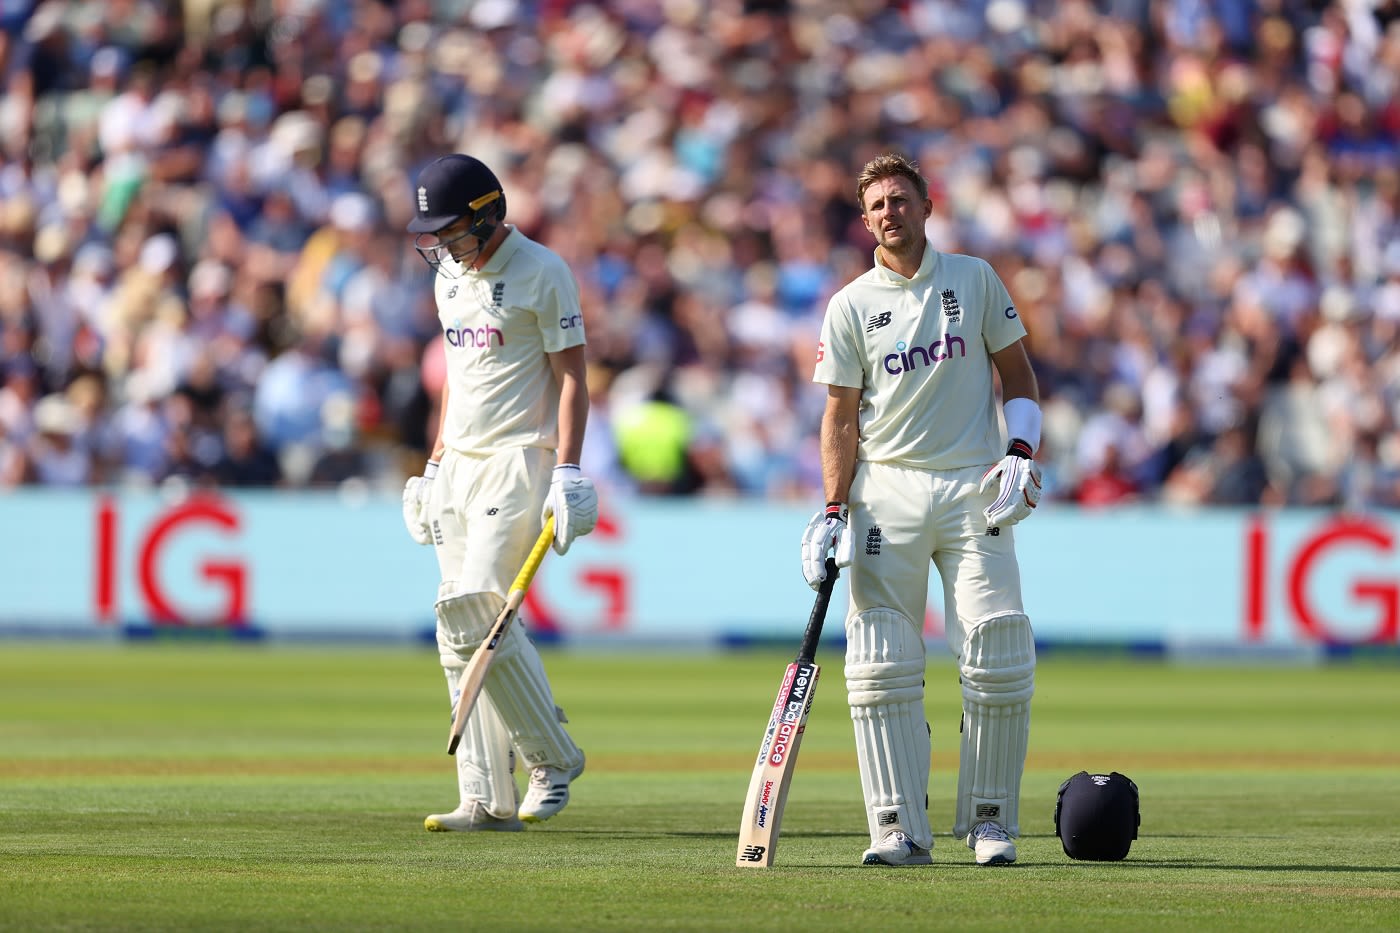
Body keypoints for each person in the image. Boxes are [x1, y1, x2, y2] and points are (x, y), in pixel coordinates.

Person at [800, 153, 1043, 868]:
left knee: (998, 648)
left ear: (926, 206)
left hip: (973, 484)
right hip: (886, 492)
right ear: (864, 218)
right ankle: (896, 828)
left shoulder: (974, 277)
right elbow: (839, 416)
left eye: (900, 199)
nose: (889, 212)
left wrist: (1021, 449)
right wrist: (834, 508)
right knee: (880, 661)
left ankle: (991, 821)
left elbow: (1019, 375)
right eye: (877, 204)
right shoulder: (850, 304)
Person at [399, 154, 597, 832]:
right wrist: (433, 464)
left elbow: (573, 377)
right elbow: (459, 377)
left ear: (489, 216)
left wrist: (567, 469)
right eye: (436, 235)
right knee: (454, 626)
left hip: (519, 458)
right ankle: (485, 797)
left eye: (453, 231)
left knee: (480, 609)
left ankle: (553, 757)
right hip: (458, 462)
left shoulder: (543, 271)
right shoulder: (449, 278)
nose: (444, 247)